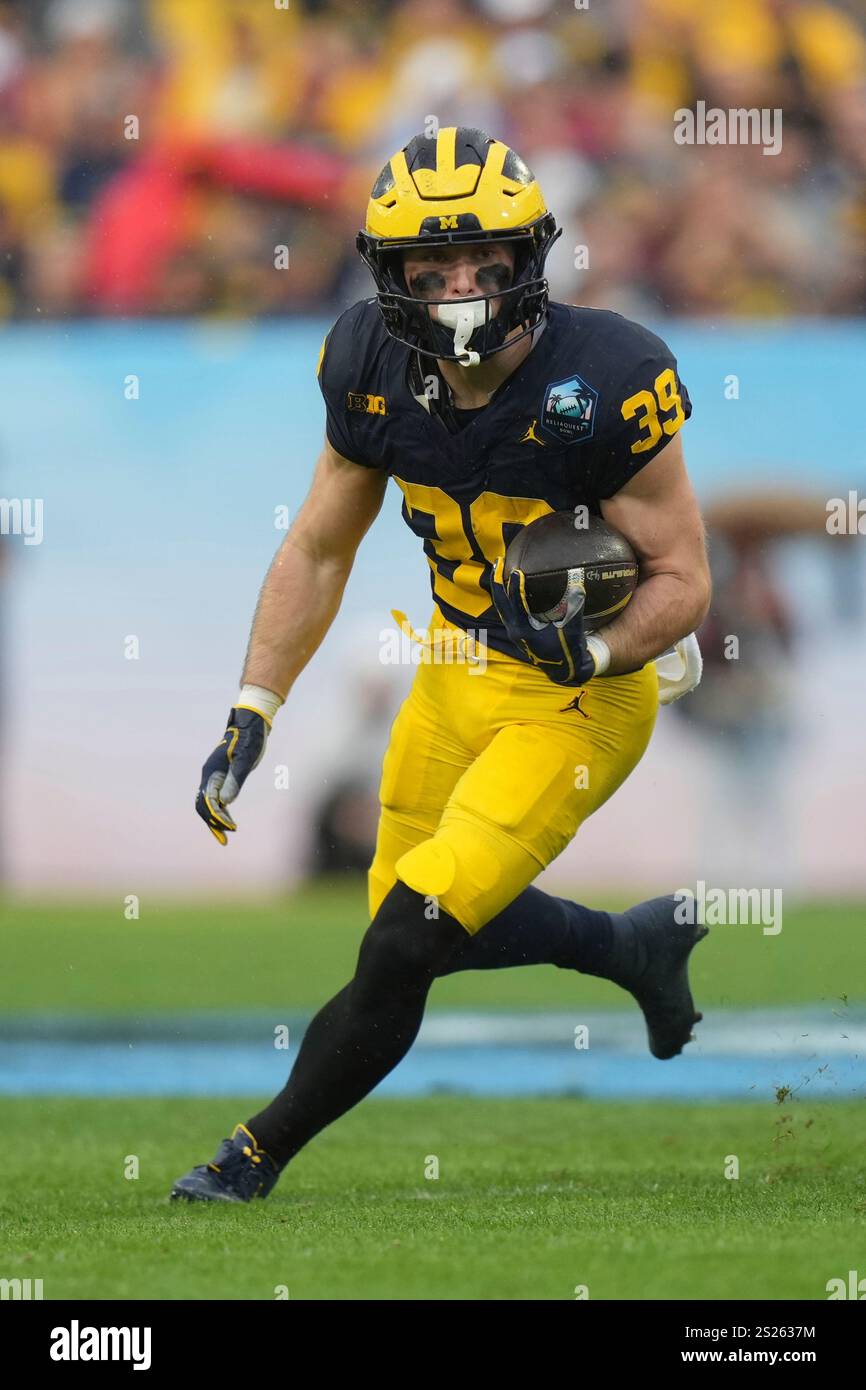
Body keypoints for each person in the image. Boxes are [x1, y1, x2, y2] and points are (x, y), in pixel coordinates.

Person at [173, 127, 711, 1203]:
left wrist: (597, 642)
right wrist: (254, 704)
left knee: (404, 944)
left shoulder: (608, 373)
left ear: (528, 260)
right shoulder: (366, 359)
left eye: (484, 262)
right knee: (415, 926)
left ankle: (251, 1155)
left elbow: (682, 579)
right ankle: (627, 949)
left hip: (580, 694)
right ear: (392, 276)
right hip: (454, 666)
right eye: (432, 267)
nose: (461, 286)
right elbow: (320, 544)